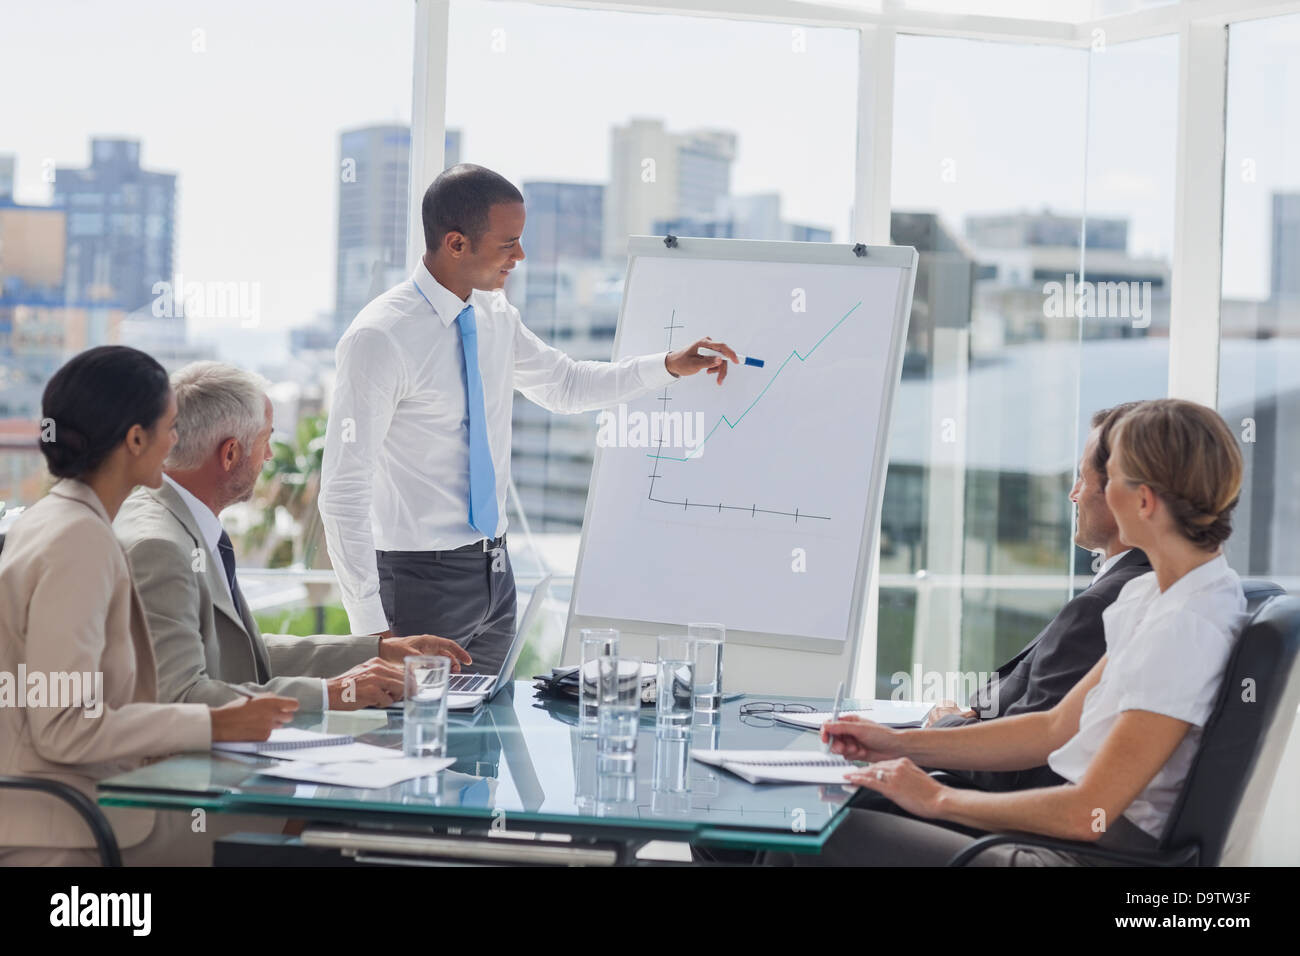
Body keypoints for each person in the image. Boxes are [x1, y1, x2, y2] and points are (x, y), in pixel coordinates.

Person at [777, 398, 1248, 866]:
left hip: (1082, 854)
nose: (1095, 491)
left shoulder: (1185, 627)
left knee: (822, 830)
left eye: (1113, 476)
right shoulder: (1156, 595)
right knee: (820, 813)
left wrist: (937, 798)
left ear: (1143, 500)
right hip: (1071, 833)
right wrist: (898, 743)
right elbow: (1052, 727)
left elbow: (1091, 813)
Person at [319, 163, 740, 673]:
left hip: (496, 575)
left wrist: (669, 366)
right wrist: (371, 629)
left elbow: (565, 385)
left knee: (484, 742)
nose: (520, 257)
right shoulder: (379, 338)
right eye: (508, 244)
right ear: (456, 244)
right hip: (416, 583)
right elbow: (342, 491)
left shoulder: (495, 316)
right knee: (417, 745)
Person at [0, 346, 297, 866]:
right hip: (76, 823)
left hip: (77, 799)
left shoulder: (51, 518)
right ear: (135, 439)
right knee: (306, 817)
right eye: (170, 427)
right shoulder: (79, 542)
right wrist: (215, 725)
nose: (177, 442)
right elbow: (65, 726)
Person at [114, 361, 471, 710]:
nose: (270, 455)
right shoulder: (160, 548)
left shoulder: (176, 518)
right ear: (230, 453)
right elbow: (183, 697)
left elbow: (240, 654)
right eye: (265, 440)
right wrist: (332, 694)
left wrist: (378, 652)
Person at [916, 402, 1151, 792]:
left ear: (1120, 493)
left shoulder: (1106, 606)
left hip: (989, 801)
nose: (1073, 495)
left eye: (1082, 479)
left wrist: (942, 729)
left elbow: (1019, 767)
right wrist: (970, 716)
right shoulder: (1130, 585)